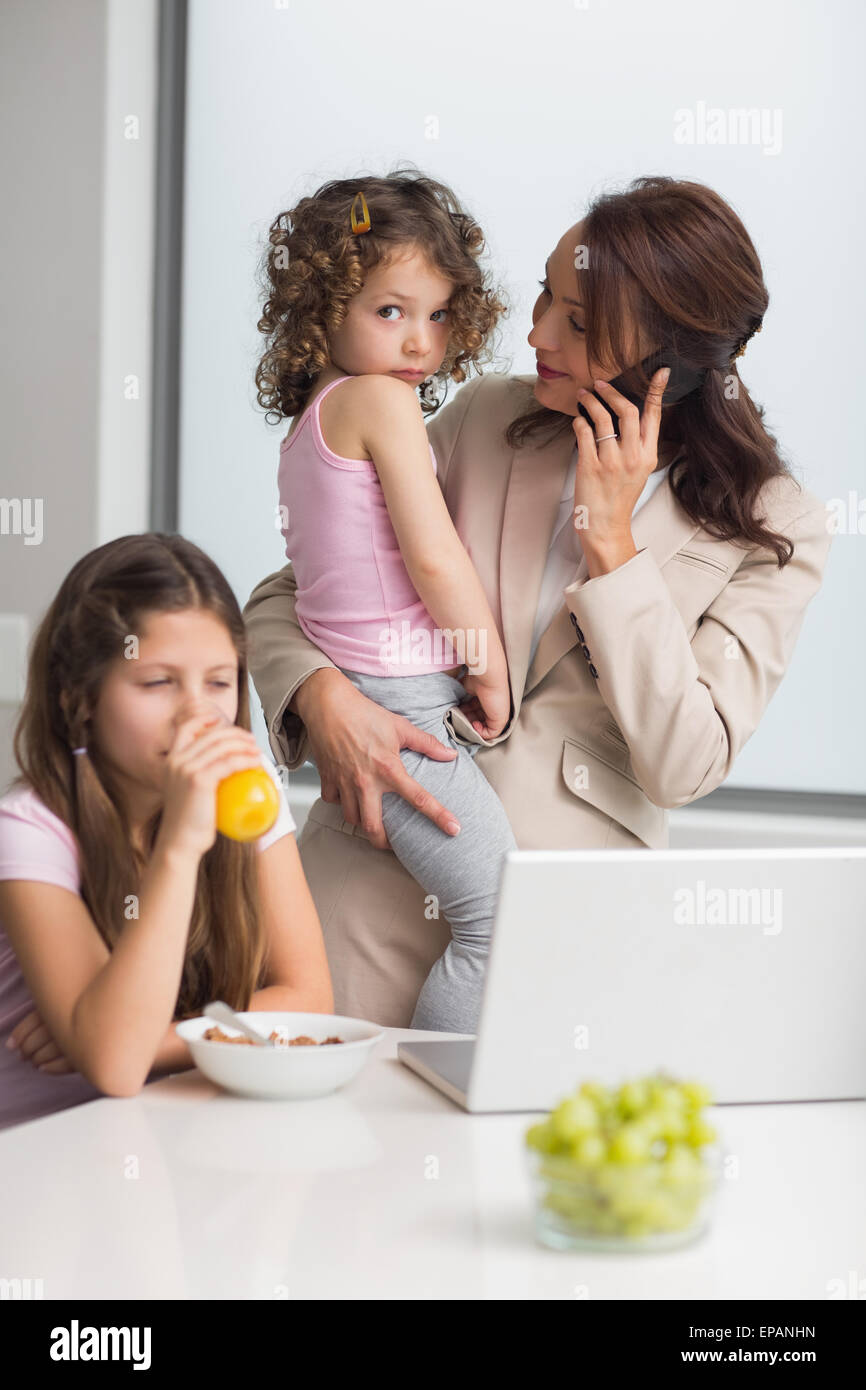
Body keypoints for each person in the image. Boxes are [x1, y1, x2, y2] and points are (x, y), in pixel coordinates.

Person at [243, 175, 832, 1030]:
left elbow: (685, 763)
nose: (535, 332)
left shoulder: (773, 525)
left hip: (546, 957)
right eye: (549, 297)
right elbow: (296, 588)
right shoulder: (486, 416)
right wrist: (320, 695)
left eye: (580, 322)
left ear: (672, 354)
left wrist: (614, 552)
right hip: (358, 914)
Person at [254, 171, 527, 1033]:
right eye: (391, 311)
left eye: (439, 314)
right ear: (323, 305)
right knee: (500, 923)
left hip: (364, 691)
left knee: (482, 917)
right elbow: (435, 558)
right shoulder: (381, 400)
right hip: (402, 702)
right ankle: (445, 1103)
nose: (420, 340)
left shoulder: (315, 420)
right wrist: (487, 669)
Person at [0, 533, 333, 1130]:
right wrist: (180, 846)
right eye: (158, 683)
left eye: (217, 681)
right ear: (80, 699)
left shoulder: (245, 785)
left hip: (164, 1131)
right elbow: (117, 1067)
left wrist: (143, 1036)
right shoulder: (29, 831)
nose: (197, 716)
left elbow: (308, 999)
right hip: (37, 1155)